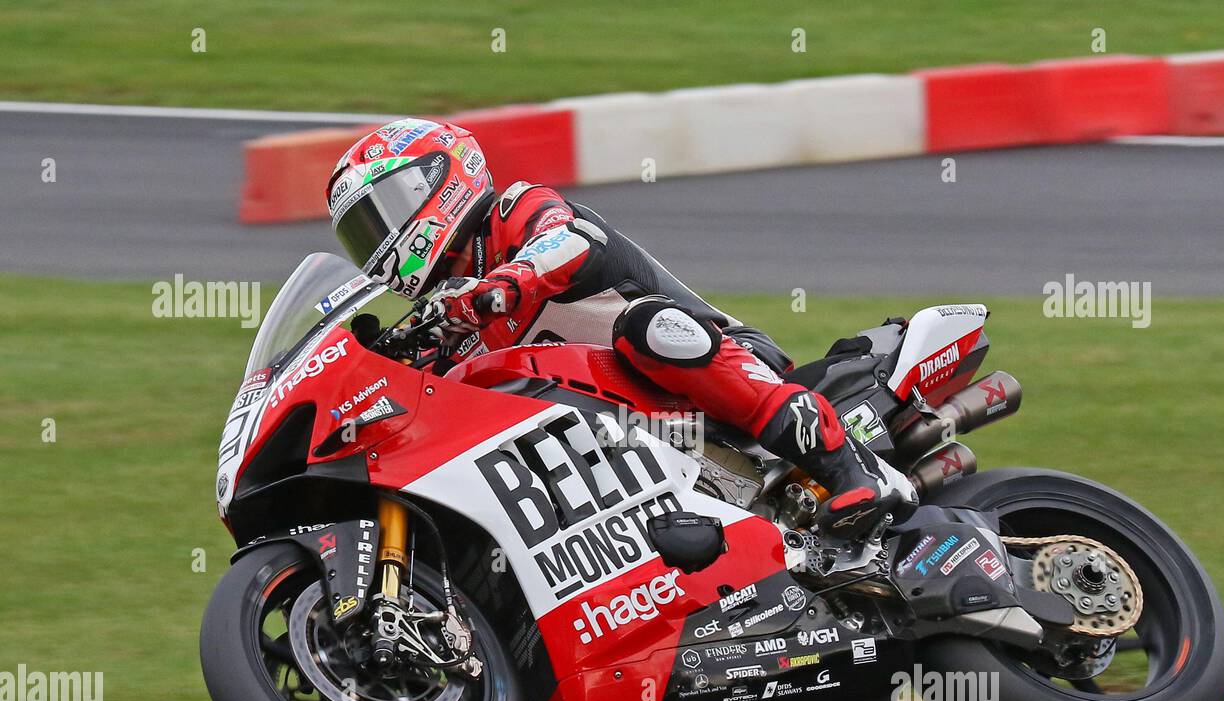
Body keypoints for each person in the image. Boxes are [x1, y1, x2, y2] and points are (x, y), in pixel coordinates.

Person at [326, 118, 915, 538]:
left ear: (440, 182)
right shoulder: (449, 320)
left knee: (647, 327)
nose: (378, 239)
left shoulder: (515, 212)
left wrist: (501, 287)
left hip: (716, 366)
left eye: (384, 212)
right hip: (634, 436)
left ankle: (848, 466)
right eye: (361, 232)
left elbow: (571, 241)